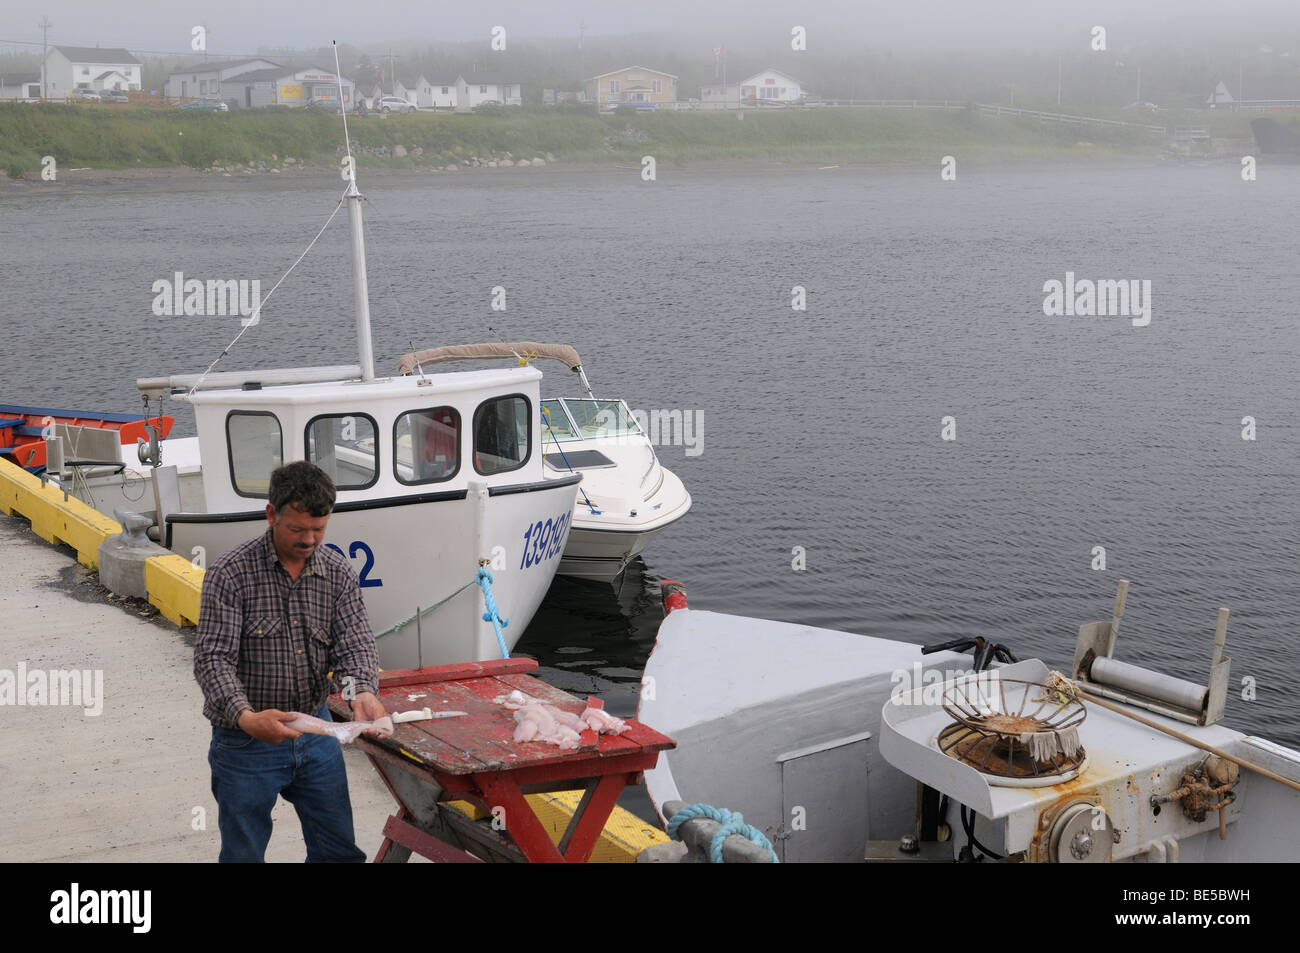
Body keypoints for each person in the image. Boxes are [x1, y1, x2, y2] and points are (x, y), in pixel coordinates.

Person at [194, 460, 385, 862]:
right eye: (297, 529)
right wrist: (247, 717)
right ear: (271, 515)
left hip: (317, 737)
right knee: (243, 855)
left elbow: (353, 645)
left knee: (338, 853)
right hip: (245, 741)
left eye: (319, 529)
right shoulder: (230, 574)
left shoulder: (337, 574)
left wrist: (360, 693)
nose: (309, 539)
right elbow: (213, 659)